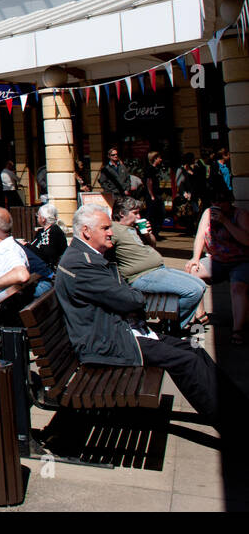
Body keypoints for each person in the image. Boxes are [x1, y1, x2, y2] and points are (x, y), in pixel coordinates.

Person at [56, 204, 248, 434]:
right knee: (185, 361)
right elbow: (132, 300)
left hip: (120, 330)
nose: (111, 232)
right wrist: (133, 296)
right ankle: (234, 429)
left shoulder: (88, 256)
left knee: (194, 349)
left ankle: (238, 407)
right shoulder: (81, 264)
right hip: (108, 343)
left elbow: (125, 294)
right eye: (106, 228)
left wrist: (131, 296)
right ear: (86, 231)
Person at [109, 197, 206, 329]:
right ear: (122, 213)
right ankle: (173, 327)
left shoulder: (132, 228)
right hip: (142, 276)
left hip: (157, 270)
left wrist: (147, 234)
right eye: (135, 213)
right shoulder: (113, 230)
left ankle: (171, 324)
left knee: (201, 285)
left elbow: (153, 245)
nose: (139, 216)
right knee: (193, 291)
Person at [190, 183, 249, 345]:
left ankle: (238, 330)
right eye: (215, 202)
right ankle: (200, 316)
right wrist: (195, 258)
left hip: (240, 261)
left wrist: (225, 221)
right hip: (216, 260)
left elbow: (246, 240)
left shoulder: (240, 215)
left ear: (229, 202)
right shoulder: (208, 214)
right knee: (193, 273)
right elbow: (200, 236)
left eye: (222, 201)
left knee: (238, 287)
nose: (218, 205)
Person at [29, 203, 68, 269]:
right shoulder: (42, 231)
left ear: (43, 219)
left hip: (49, 273)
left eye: (38, 215)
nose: (37, 217)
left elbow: (46, 255)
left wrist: (26, 245)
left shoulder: (53, 231)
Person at [143, 151, 166, 240]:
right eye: (159, 158)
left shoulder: (157, 169)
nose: (161, 160)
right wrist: (151, 194)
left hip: (157, 194)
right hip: (152, 195)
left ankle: (156, 232)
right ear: (155, 159)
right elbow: (149, 182)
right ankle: (151, 233)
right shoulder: (150, 169)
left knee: (161, 214)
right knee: (153, 215)